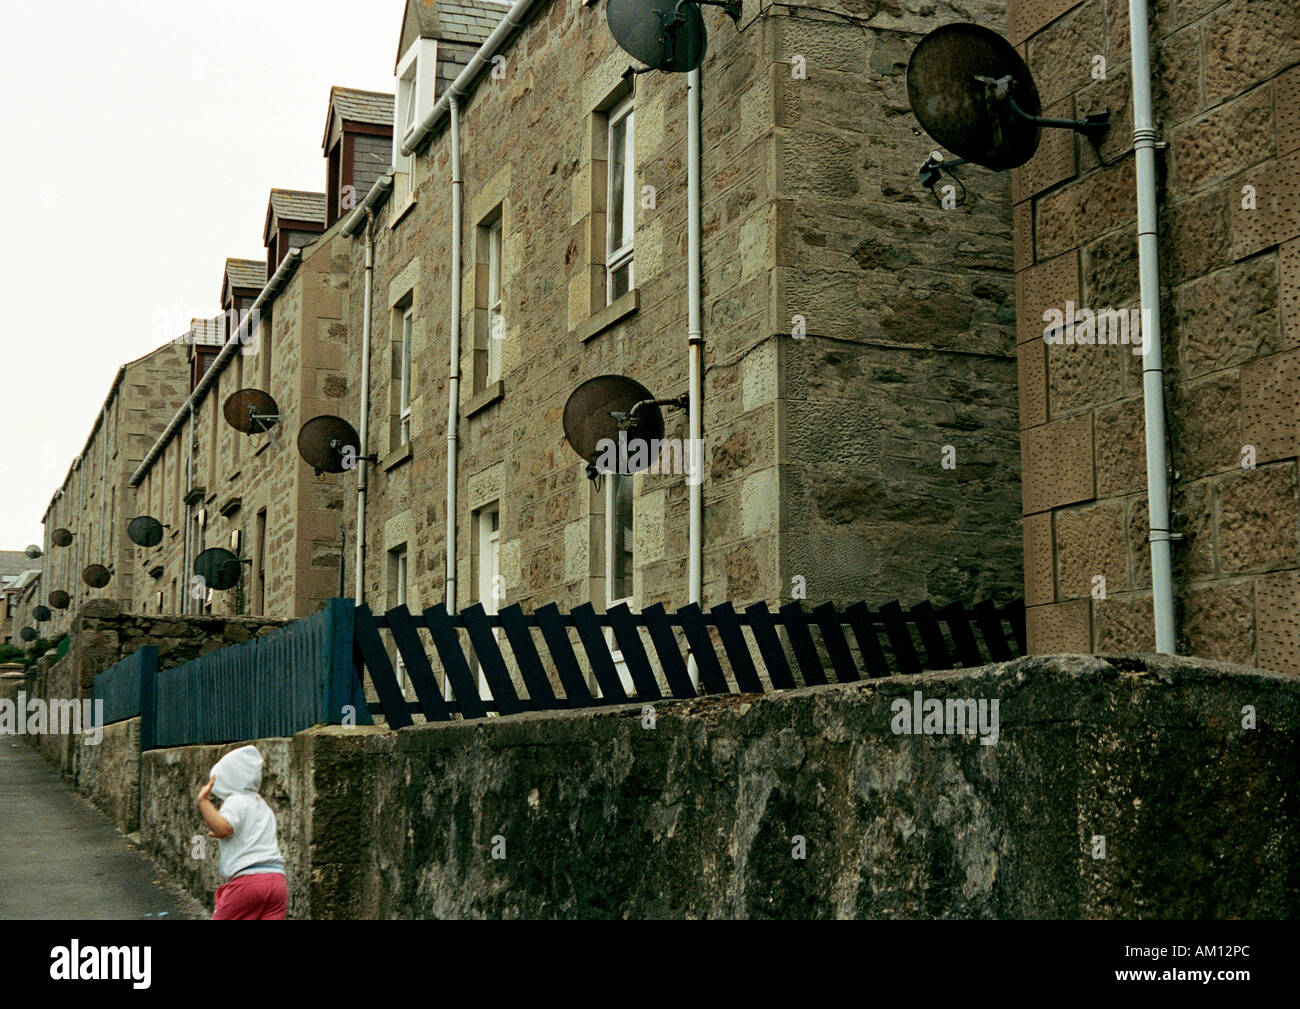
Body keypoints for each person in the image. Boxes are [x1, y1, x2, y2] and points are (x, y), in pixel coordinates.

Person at [196, 744, 287, 920]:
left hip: (247, 882)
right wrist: (221, 832)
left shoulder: (235, 801)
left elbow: (223, 828)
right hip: (276, 882)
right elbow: (246, 833)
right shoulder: (263, 806)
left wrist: (204, 802)